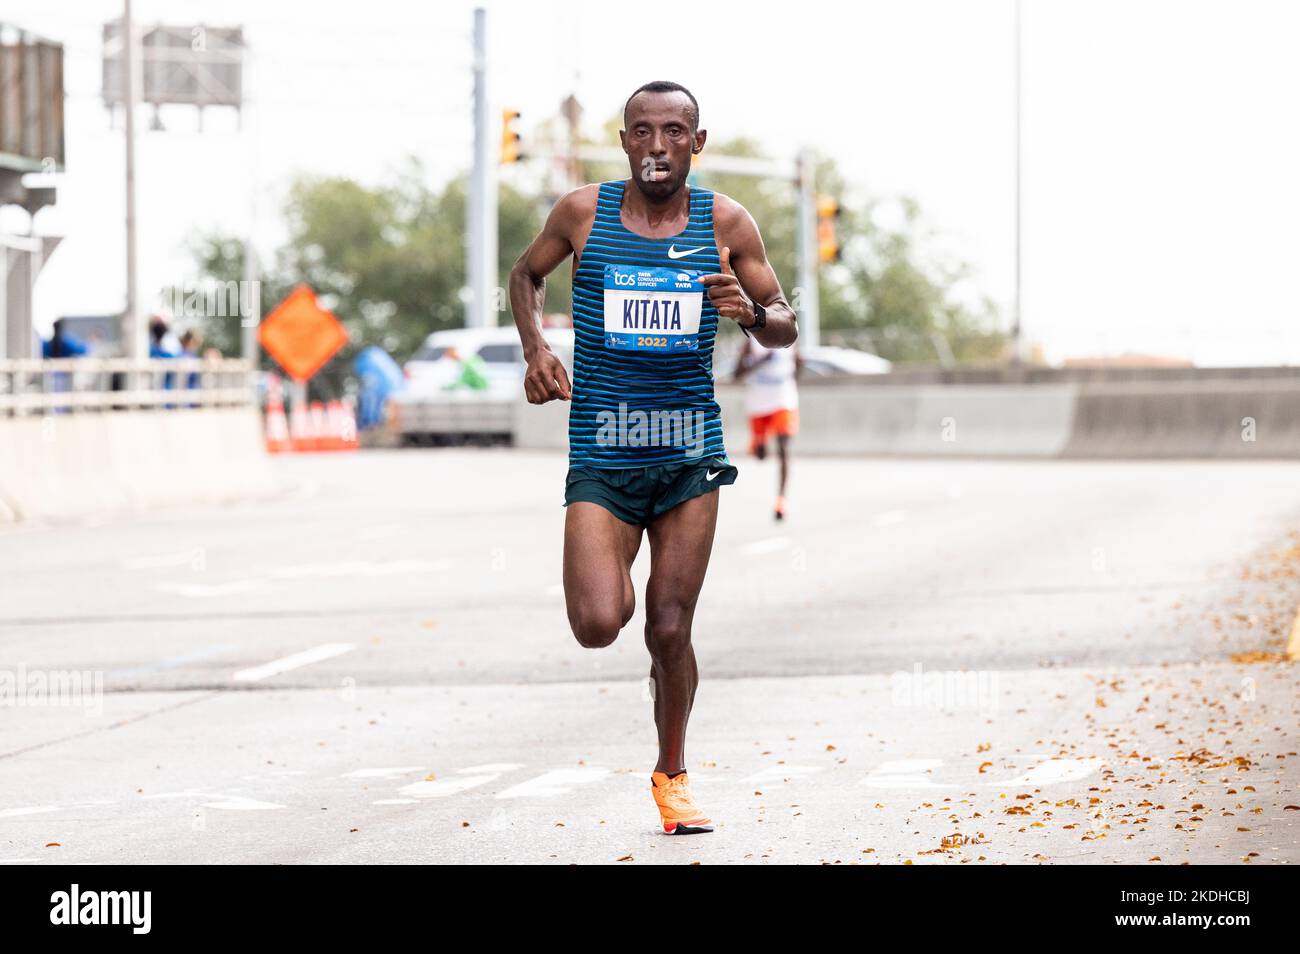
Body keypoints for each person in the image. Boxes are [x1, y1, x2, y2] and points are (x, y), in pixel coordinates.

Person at [508, 80, 798, 835]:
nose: (658, 145)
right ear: (626, 141)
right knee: (601, 622)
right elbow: (524, 275)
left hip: (688, 453)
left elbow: (785, 326)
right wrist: (536, 349)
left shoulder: (727, 223)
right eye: (643, 131)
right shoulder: (581, 213)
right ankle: (619, 592)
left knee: (669, 626)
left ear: (696, 144)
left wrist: (753, 312)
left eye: (675, 131)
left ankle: (672, 774)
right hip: (603, 451)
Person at [734, 335, 801, 520]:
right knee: (761, 455)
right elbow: (736, 373)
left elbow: (799, 363)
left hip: (784, 400)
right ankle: (759, 443)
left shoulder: (791, 339)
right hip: (758, 404)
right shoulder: (751, 342)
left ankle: (781, 500)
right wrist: (760, 361)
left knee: (784, 449)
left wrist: (795, 382)